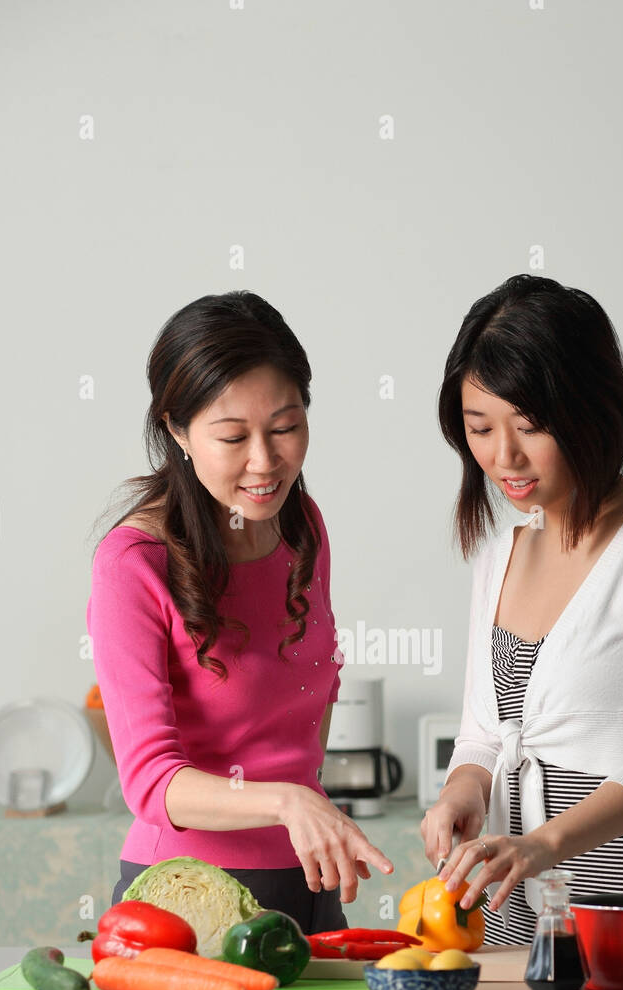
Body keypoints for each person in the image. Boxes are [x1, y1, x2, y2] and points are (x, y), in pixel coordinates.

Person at [421, 274, 623, 944]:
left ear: (590, 408)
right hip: (504, 904)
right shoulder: (500, 550)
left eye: (530, 426)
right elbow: (481, 737)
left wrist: (544, 845)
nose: (504, 457)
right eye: (480, 428)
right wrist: (461, 794)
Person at [86, 290, 393, 928]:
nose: (266, 461)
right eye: (233, 437)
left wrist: (303, 811)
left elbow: (315, 695)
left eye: (285, 428)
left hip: (310, 873)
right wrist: (288, 803)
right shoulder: (133, 565)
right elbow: (151, 781)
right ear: (178, 430)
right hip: (186, 893)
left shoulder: (301, 525)